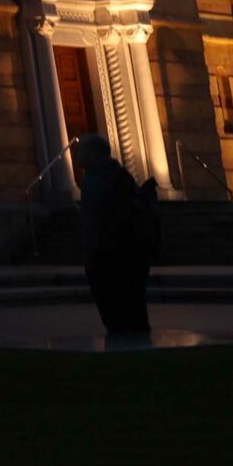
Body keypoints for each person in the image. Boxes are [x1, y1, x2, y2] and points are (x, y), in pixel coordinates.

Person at [75, 134, 153, 340]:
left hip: (107, 259)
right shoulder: (122, 175)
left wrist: (91, 258)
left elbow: (95, 225)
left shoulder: (93, 182)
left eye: (81, 150)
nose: (77, 154)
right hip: (132, 256)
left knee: (116, 320)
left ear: (93, 153)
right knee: (136, 316)